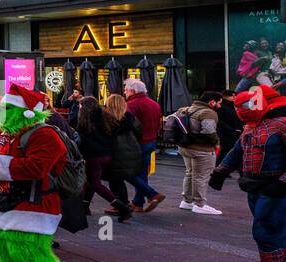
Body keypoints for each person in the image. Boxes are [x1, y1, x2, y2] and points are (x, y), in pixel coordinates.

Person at [0, 84, 69, 262]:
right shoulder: (9, 135)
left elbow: (37, 168)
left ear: (25, 112)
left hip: (32, 206)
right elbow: (5, 156)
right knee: (8, 258)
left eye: (7, 109)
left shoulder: (45, 134)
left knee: (32, 259)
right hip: (7, 203)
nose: (0, 113)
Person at [210, 85, 286, 262]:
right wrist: (220, 172)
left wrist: (285, 182)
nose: (240, 110)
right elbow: (237, 151)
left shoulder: (285, 123)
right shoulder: (252, 126)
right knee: (277, 233)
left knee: (265, 232)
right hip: (257, 187)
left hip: (279, 187)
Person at [77, 95, 132, 222]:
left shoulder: (84, 120)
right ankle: (84, 207)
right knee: (91, 181)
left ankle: (122, 207)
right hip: (106, 154)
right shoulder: (105, 117)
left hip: (92, 156)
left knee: (96, 184)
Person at [170, 91, 222, 215]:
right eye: (219, 103)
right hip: (202, 150)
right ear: (212, 102)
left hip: (185, 147)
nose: (220, 106)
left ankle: (187, 201)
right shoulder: (208, 112)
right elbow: (209, 131)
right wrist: (217, 142)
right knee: (201, 176)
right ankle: (200, 204)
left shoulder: (187, 109)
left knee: (190, 173)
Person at [123, 78, 165, 212]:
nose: (124, 92)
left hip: (136, 144)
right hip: (150, 142)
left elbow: (128, 126)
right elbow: (159, 123)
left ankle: (152, 194)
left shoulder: (132, 105)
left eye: (126, 89)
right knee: (142, 173)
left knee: (126, 171)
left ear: (132, 90)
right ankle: (138, 203)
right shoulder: (154, 104)